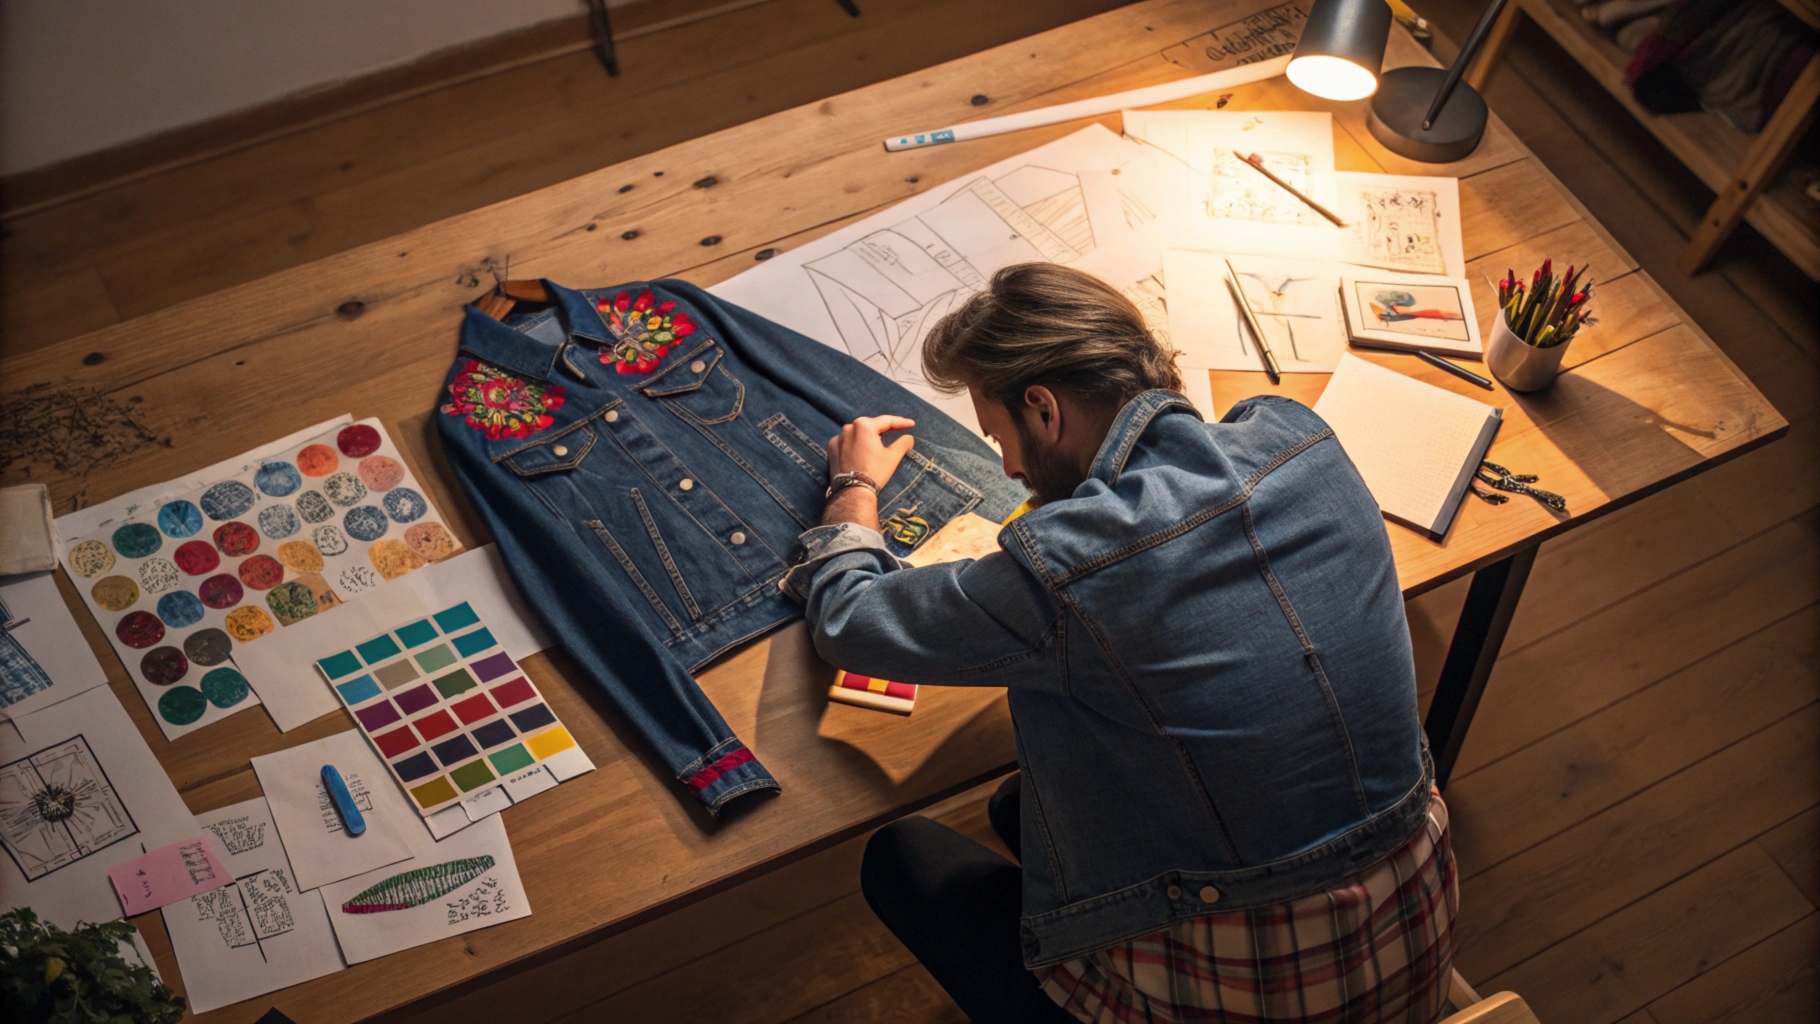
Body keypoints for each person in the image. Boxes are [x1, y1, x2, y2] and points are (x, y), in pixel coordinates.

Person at [781, 263, 1457, 1024]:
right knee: (1019, 802)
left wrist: (853, 488)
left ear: (1042, 408)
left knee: (900, 858)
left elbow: (850, 622)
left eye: (998, 434)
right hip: (1410, 932)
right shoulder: (1302, 438)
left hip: (1263, 993)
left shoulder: (1072, 562)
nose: (1005, 464)